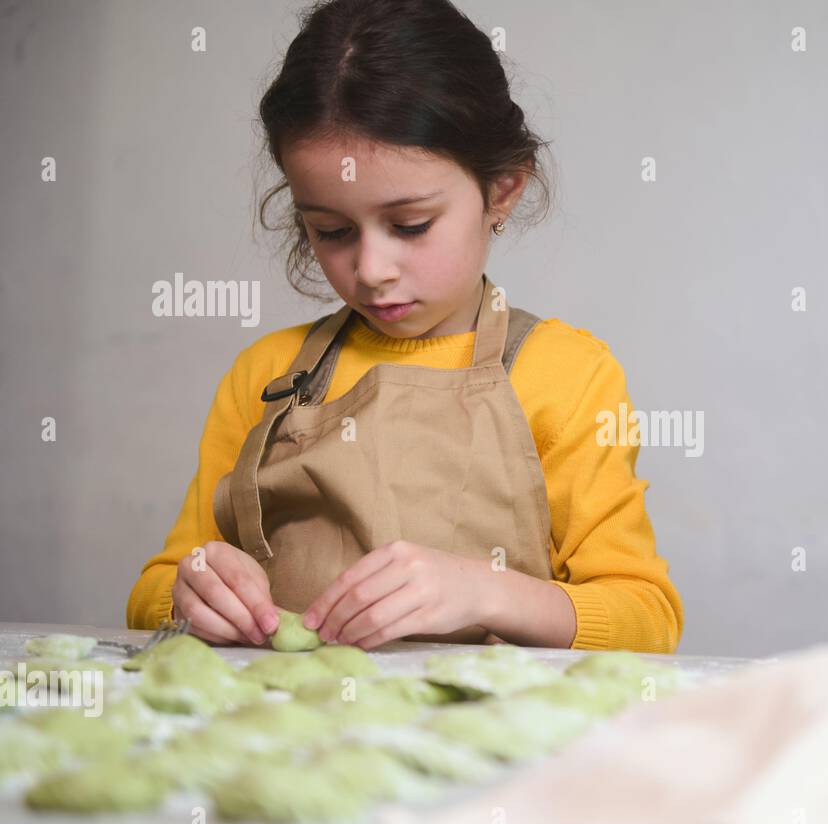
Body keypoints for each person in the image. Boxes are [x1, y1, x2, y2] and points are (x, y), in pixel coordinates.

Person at [127, 0, 683, 653]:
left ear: (502, 189)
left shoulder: (566, 375)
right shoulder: (265, 376)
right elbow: (151, 595)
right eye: (331, 231)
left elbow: (647, 619)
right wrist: (189, 593)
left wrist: (485, 590)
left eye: (411, 224)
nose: (372, 268)